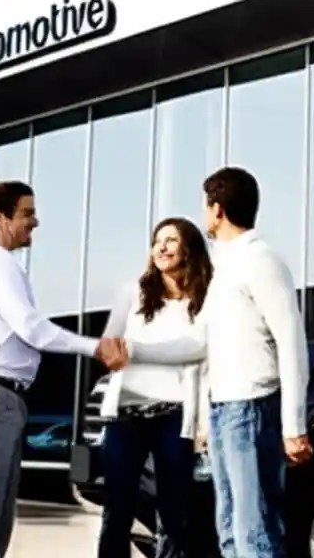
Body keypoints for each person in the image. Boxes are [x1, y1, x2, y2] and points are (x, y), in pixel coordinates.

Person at [0, 181, 127, 558]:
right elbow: (32, 328)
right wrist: (95, 347)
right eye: (27, 213)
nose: (35, 221)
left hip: (1, 399)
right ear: (0, 218)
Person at [200, 166, 311, 557]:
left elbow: (291, 343)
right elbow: (207, 345)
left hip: (252, 410)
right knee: (229, 532)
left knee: (256, 535)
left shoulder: (261, 261)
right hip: (222, 410)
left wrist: (293, 426)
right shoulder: (222, 267)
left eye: (206, 207)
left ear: (216, 210)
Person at [95, 217, 214, 558]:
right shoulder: (133, 291)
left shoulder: (205, 298)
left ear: (188, 247)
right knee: (116, 510)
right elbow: (110, 347)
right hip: (125, 416)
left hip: (175, 416)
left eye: (171, 240)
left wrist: (135, 352)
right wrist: (115, 352)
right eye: (157, 241)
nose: (161, 247)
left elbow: (201, 350)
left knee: (174, 513)